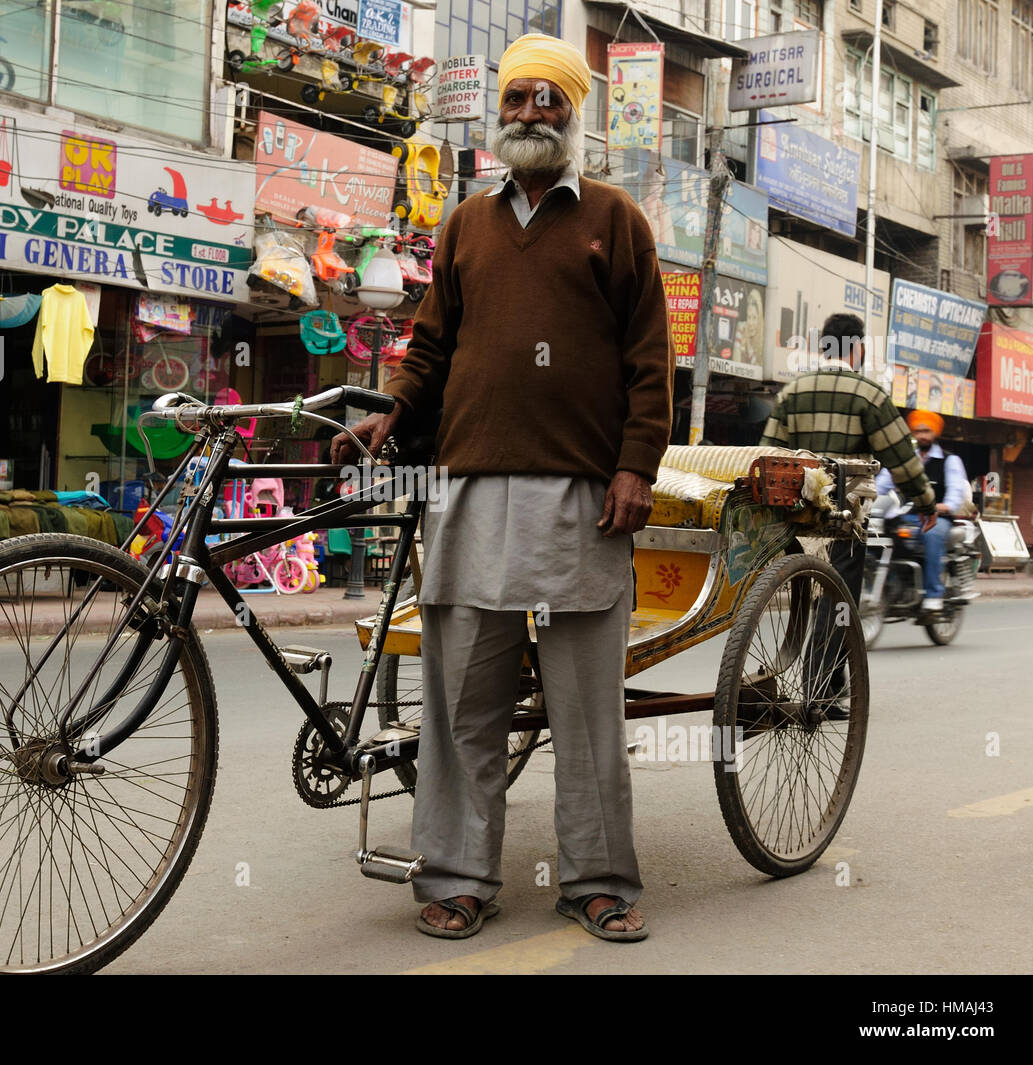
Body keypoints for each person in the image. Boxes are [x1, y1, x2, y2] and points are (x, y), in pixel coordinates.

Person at [332, 32, 673, 943]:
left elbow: (650, 360)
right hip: (469, 490)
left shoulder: (616, 219)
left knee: (584, 709)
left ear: (574, 112)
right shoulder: (465, 225)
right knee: (460, 705)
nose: (528, 112)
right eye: (516, 97)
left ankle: (596, 878)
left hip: (582, 496)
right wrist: (396, 414)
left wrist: (638, 464)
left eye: (547, 99)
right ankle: (457, 875)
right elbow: (432, 348)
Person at [760, 314, 936, 714]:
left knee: (816, 599)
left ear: (822, 347)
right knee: (838, 602)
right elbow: (902, 459)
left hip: (794, 523)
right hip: (845, 522)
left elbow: (766, 456)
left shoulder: (792, 394)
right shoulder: (868, 395)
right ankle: (819, 690)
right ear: (857, 349)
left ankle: (830, 684)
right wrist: (924, 502)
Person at [875, 410, 970, 612]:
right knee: (876, 536)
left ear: (935, 433)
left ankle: (934, 593)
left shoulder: (949, 460)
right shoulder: (905, 459)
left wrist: (935, 506)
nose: (922, 436)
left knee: (932, 534)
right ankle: (891, 586)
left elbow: (954, 497)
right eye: (917, 431)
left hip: (938, 518)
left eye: (926, 431)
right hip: (905, 516)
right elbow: (880, 486)